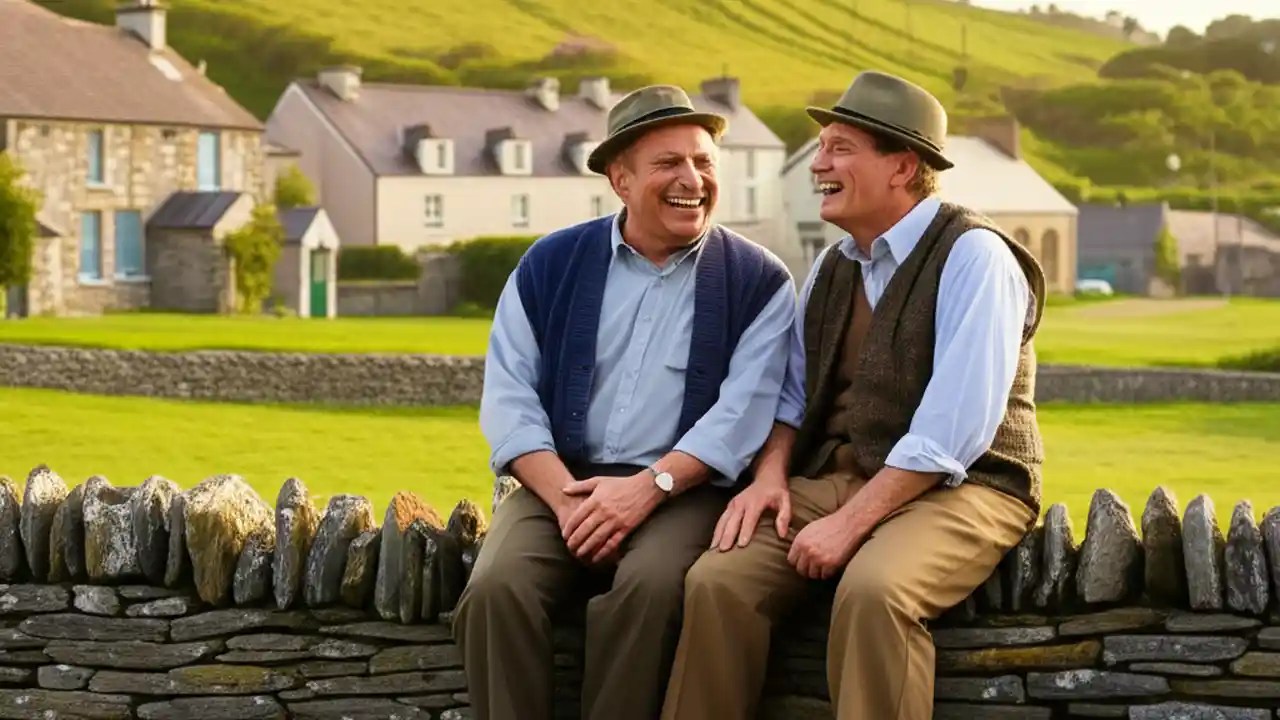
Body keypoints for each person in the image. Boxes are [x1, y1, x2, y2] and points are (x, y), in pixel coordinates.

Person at [660, 70, 1047, 720]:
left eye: (840, 148)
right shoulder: (836, 266)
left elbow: (955, 429)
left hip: (970, 485)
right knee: (717, 581)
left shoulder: (975, 257)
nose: (819, 164)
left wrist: (848, 524)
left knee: (875, 593)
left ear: (901, 165)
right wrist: (772, 476)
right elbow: (793, 398)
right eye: (821, 149)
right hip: (848, 474)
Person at [452, 84, 796, 720]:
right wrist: (565, 500)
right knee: (496, 590)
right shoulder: (548, 263)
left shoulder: (760, 280)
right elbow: (508, 397)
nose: (692, 179)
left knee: (652, 588)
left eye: (703, 163)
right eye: (669, 164)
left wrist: (647, 489)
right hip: (562, 484)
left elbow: (742, 413)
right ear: (621, 179)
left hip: (684, 491)